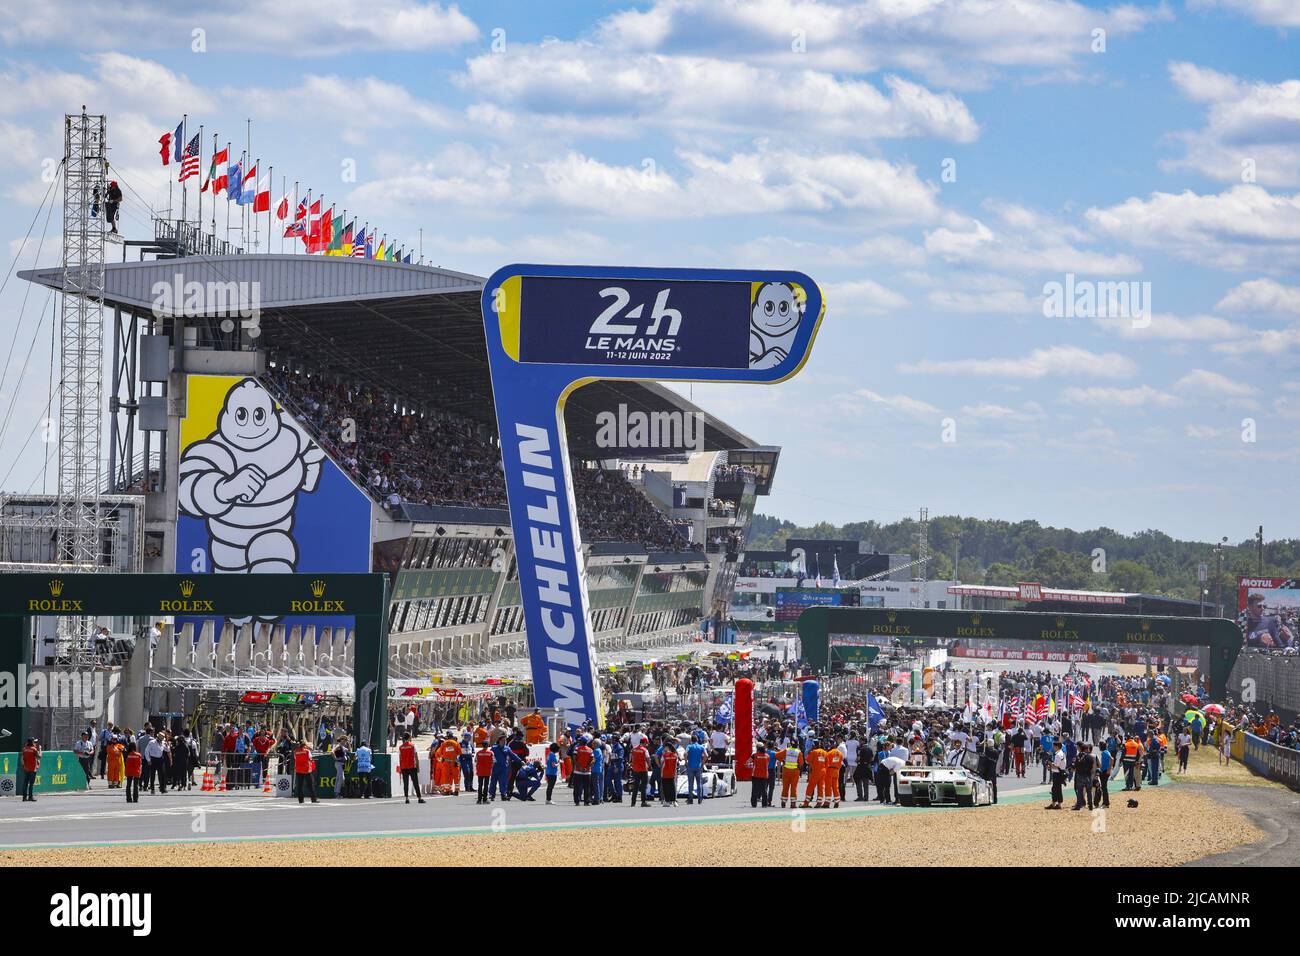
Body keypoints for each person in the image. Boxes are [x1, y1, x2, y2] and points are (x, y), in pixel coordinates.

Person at [778, 740, 802, 808]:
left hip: (786, 771)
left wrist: (783, 760)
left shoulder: (787, 750)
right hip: (795, 772)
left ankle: (783, 802)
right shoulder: (798, 752)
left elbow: (777, 755)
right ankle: (793, 803)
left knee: (785, 787)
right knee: (793, 788)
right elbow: (801, 763)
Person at [628, 738, 650, 807]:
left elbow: (630, 759)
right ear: (644, 743)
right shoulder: (645, 750)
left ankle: (633, 802)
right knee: (643, 786)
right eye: (646, 743)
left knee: (636, 786)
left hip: (635, 770)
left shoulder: (634, 749)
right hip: (643, 769)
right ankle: (643, 802)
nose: (647, 745)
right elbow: (648, 758)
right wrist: (649, 766)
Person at [1046, 739, 1067, 810]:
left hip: (1057, 774)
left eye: (1054, 746)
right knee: (1055, 789)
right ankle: (1055, 803)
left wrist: (1050, 764)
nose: (1053, 748)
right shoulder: (1062, 753)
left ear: (1057, 746)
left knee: (1057, 789)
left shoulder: (1058, 755)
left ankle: (1058, 804)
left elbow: (1056, 766)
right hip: (1059, 773)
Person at [748, 743, 770, 808]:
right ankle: (764, 804)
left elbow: (747, 763)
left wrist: (750, 765)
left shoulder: (754, 755)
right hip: (764, 775)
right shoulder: (767, 756)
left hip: (756, 775)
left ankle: (754, 804)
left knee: (754, 790)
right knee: (764, 790)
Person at [20, 738, 40, 802]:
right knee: (31, 784)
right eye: (34, 742)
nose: (35, 743)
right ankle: (30, 797)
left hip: (26, 769)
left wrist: (24, 766)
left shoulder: (24, 749)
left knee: (25, 783)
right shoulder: (34, 749)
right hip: (33, 769)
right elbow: (39, 757)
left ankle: (24, 797)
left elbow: (22, 759)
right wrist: (40, 749)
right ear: (32, 742)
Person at [660, 740, 678, 807]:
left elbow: (662, 764)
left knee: (666, 787)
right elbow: (676, 765)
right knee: (672, 787)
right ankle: (674, 801)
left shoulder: (664, 755)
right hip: (672, 773)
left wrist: (661, 773)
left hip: (665, 773)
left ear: (667, 747)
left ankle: (667, 801)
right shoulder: (675, 755)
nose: (664, 748)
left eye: (665, 747)